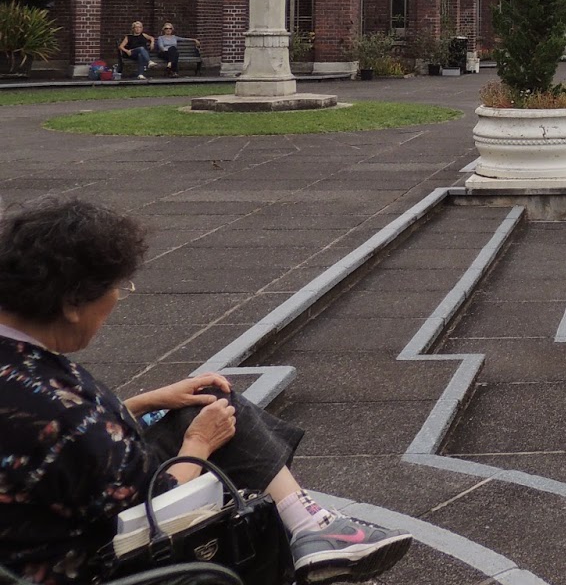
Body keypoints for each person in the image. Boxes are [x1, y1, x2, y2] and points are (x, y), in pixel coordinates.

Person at [0, 196, 413, 585]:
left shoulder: (21, 371)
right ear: (72, 302)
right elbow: (152, 504)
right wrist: (198, 443)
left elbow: (50, 447)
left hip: (28, 529)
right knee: (215, 419)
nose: (116, 300)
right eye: (115, 288)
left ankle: (312, 526)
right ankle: (310, 527)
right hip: (79, 560)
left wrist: (144, 402)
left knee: (203, 402)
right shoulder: (62, 406)